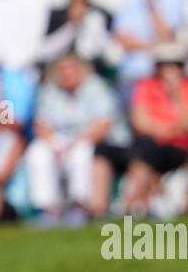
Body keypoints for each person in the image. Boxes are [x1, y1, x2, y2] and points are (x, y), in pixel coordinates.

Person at [25, 53, 130, 223]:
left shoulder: (96, 87)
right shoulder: (49, 90)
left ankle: (79, 206)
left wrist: (76, 142)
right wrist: (56, 143)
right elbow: (41, 124)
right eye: (63, 70)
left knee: (81, 153)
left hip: (91, 140)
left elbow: (103, 124)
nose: (68, 74)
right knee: (37, 152)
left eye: (72, 69)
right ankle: (48, 208)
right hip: (60, 140)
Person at [120, 43, 188, 214]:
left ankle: (137, 203)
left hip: (181, 148)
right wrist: (170, 129)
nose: (169, 69)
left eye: (175, 64)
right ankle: (138, 203)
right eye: (164, 64)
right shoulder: (146, 85)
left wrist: (176, 94)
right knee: (144, 148)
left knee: (145, 152)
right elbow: (140, 123)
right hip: (151, 144)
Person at [113, 0, 185, 102]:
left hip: (159, 77)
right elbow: (123, 40)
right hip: (132, 74)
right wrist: (152, 46)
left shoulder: (173, 2)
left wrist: (152, 5)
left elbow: (167, 37)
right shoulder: (129, 4)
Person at [42, 0, 115, 78]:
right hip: (62, 78)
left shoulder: (101, 13)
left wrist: (94, 26)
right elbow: (45, 51)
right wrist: (72, 26)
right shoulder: (56, 14)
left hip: (93, 77)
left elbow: (112, 55)